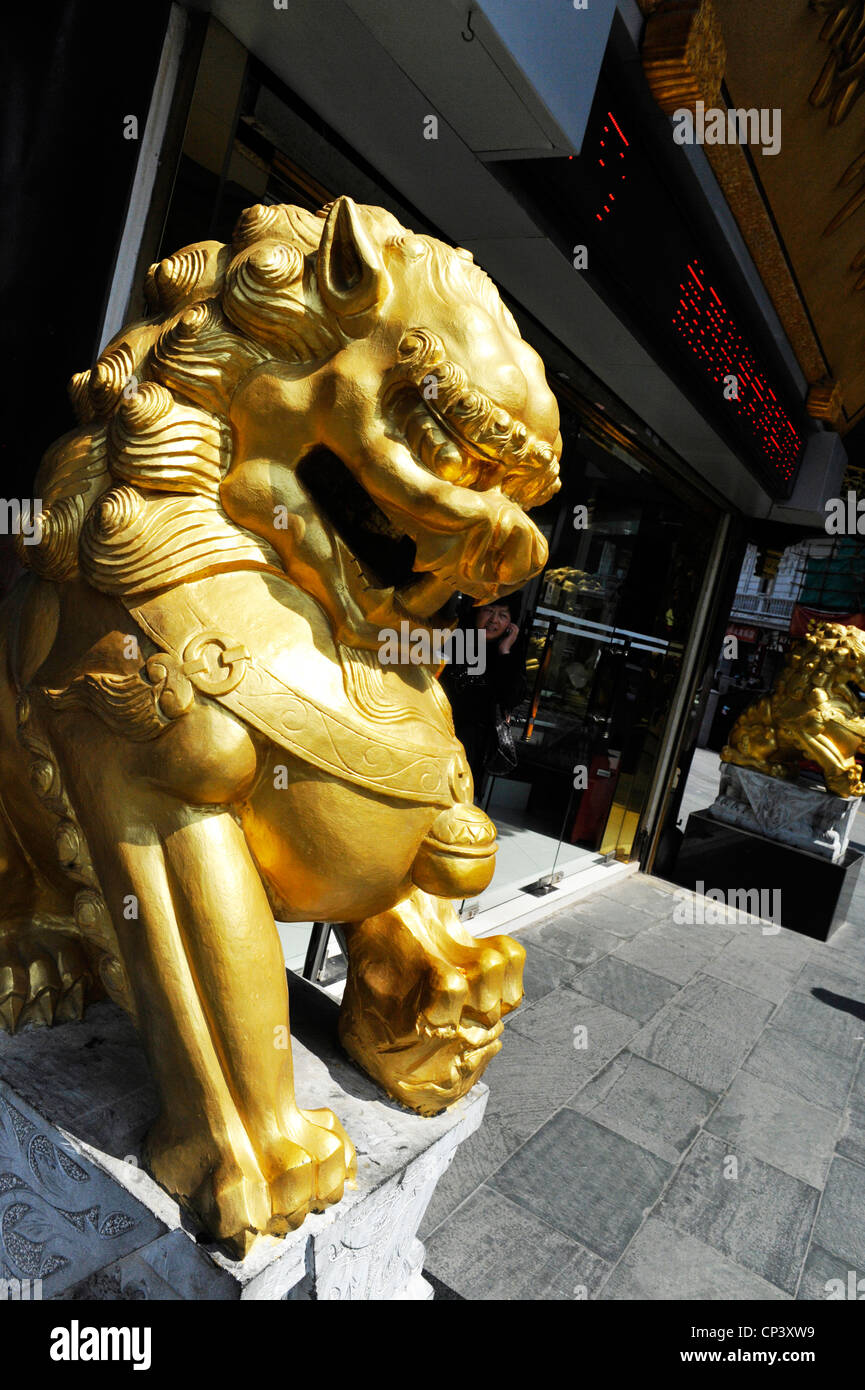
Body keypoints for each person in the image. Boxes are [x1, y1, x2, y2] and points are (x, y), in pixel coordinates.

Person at [440, 591, 528, 798]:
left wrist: (505, 650)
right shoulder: (452, 639)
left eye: (503, 615)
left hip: (471, 748)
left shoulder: (508, 657)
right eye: (489, 611)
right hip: (437, 731)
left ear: (510, 626)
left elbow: (513, 697)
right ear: (477, 611)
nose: (494, 620)